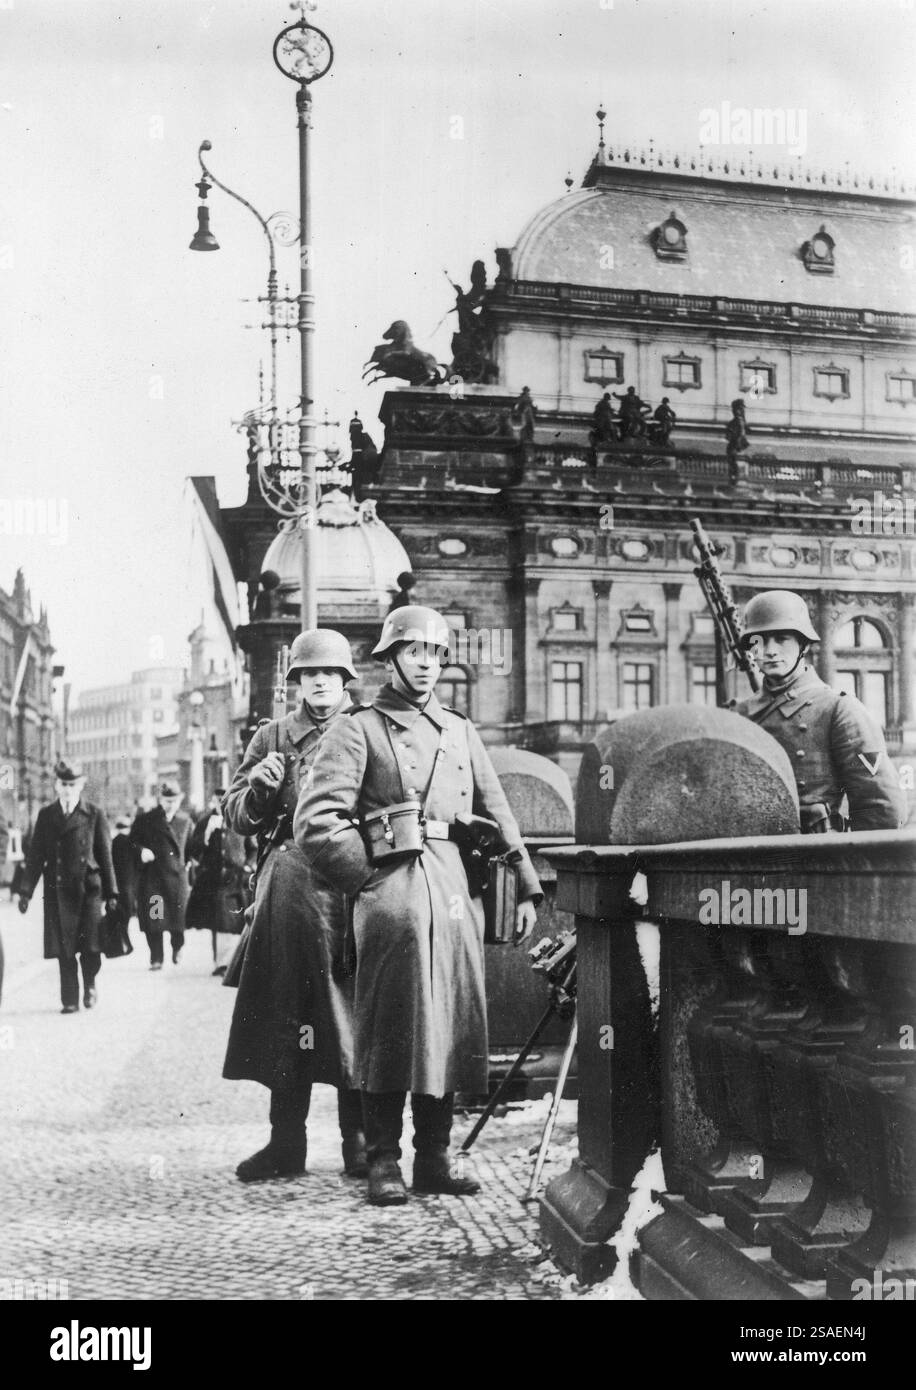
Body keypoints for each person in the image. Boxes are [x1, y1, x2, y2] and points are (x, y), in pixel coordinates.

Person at [294, 605, 542, 1207]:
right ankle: (384, 1158)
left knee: (451, 1025)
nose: (426, 666)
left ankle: (434, 1157)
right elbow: (315, 822)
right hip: (392, 893)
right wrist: (369, 879)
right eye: (413, 654)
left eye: (435, 655)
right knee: (388, 1027)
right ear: (390, 659)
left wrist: (527, 884)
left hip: (453, 888)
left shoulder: (459, 729)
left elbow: (498, 807)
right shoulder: (359, 728)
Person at [222, 629, 366, 1183]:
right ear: (297, 681)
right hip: (288, 895)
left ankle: (359, 1144)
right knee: (288, 1016)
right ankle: (287, 1144)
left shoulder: (367, 729)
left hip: (351, 889)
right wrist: (257, 788)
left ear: (345, 680)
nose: (320, 682)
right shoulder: (273, 737)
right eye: (309, 675)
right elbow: (234, 814)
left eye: (330, 674)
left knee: (351, 1016)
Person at [737, 591, 903, 832]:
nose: (769, 650)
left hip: (813, 858)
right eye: (759, 642)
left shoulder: (838, 709)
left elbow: (882, 810)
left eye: (782, 639)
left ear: (803, 644)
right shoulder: (740, 715)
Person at [17, 759, 117, 1013]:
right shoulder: (47, 815)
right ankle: (70, 999)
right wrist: (26, 891)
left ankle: (90, 983)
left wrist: (112, 892)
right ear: (56, 785)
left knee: (91, 947)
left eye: (72, 784)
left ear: (81, 785)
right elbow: (36, 856)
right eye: (63, 784)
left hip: (89, 889)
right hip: (58, 891)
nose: (67, 789)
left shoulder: (94, 813)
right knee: (66, 949)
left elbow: (105, 854)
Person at [186, 790, 249, 976]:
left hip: (236, 878)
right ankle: (222, 962)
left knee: (229, 919)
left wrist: (248, 866)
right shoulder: (205, 822)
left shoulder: (239, 820)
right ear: (213, 802)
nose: (221, 804)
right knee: (219, 920)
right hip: (213, 879)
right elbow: (194, 849)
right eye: (217, 800)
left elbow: (252, 846)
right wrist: (206, 834)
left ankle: (226, 962)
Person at [130, 781, 192, 970]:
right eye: (167, 800)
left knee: (178, 920)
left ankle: (177, 946)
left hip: (177, 879)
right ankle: (156, 957)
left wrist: (189, 861)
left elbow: (190, 846)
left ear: (180, 800)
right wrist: (141, 851)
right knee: (155, 921)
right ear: (160, 800)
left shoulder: (185, 821)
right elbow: (131, 842)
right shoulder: (146, 819)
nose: (170, 804)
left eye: (174, 800)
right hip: (154, 880)